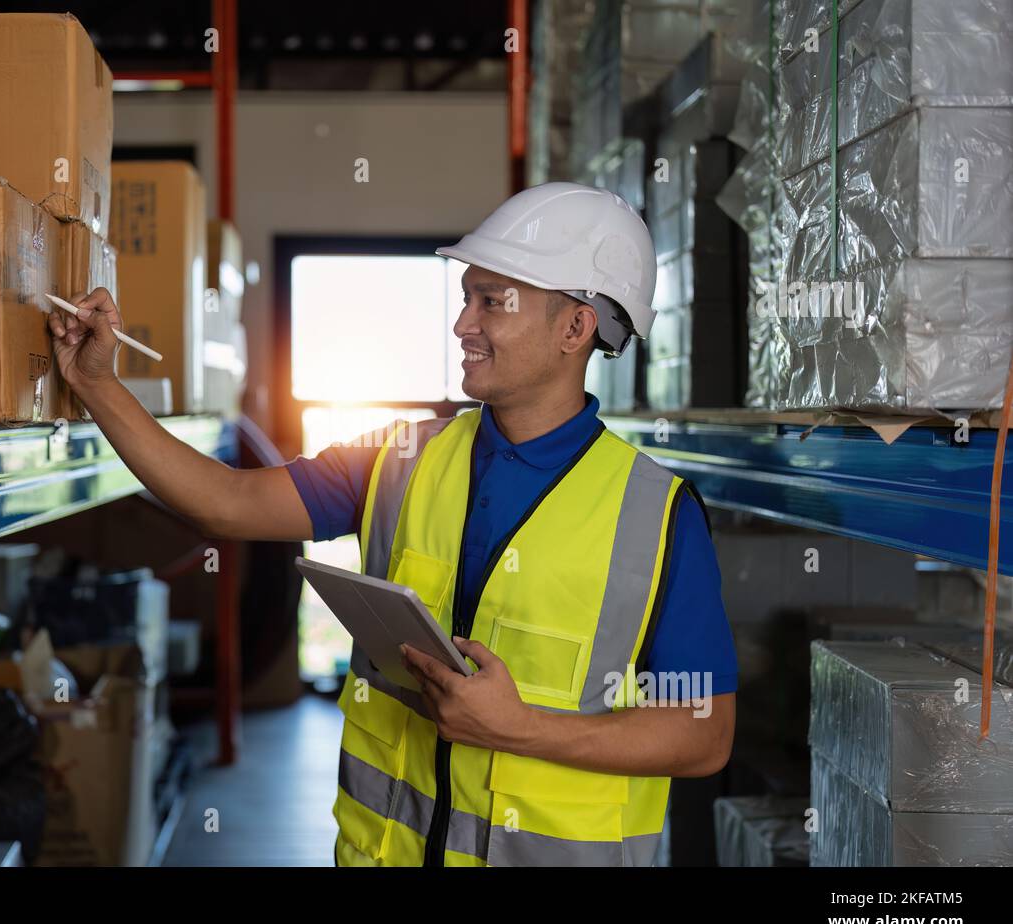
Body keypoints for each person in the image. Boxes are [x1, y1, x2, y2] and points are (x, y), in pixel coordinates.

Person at [49, 182, 737, 867]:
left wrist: (521, 728)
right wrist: (99, 385)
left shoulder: (657, 514)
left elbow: (703, 736)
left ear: (575, 328)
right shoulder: (400, 458)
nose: (464, 324)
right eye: (467, 297)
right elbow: (224, 501)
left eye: (491, 301)